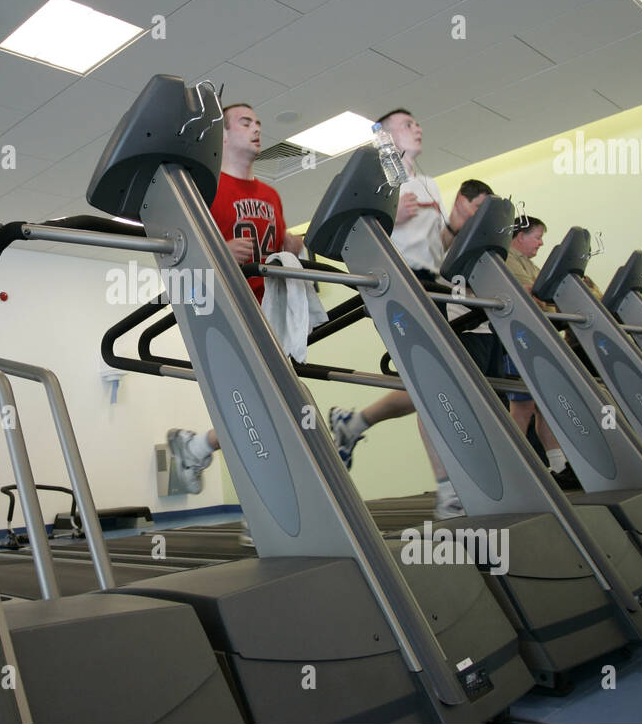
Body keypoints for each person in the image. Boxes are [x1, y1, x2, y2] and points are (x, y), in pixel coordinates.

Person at [326, 109, 497, 519]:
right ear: (384, 136)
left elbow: (432, 243)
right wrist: (387, 217)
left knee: (434, 386)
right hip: (397, 292)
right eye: (406, 124)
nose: (417, 127)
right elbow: (340, 237)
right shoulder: (375, 180)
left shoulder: (430, 183)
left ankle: (353, 423)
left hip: (432, 291)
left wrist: (455, 230)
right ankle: (448, 492)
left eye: (418, 122)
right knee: (434, 386)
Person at [165, 103, 304, 544]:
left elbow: (277, 246)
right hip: (220, 312)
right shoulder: (203, 187)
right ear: (222, 136)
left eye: (260, 122)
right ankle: (258, 508)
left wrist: (295, 246)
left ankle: (196, 448)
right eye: (246, 122)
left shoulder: (271, 195)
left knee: (273, 407)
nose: (257, 127)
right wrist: (219, 248)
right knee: (266, 408)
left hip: (264, 314)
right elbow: (178, 254)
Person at [502, 217, 577, 488]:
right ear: (519, 236)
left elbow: (544, 297)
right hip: (521, 336)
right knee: (523, 407)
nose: (541, 242)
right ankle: (515, 471)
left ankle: (558, 466)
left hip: (539, 337)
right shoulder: (508, 259)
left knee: (544, 404)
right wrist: (544, 292)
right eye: (537, 236)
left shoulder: (529, 264)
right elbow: (529, 294)